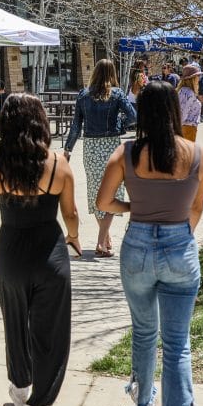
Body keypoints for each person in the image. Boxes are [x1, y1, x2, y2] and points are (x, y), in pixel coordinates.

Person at [95, 80, 203, 406]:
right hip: (180, 246)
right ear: (175, 110)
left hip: (138, 246)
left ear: (142, 113)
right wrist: (176, 234)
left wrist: (136, 207)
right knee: (177, 344)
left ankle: (144, 398)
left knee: (144, 330)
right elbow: (196, 209)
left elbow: (104, 202)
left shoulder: (126, 153)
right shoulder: (197, 154)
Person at [0, 93, 80, 406]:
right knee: (50, 333)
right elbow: (70, 213)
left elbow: (6, 194)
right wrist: (73, 237)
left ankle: (20, 388)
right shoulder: (58, 164)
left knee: (15, 323)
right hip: (49, 251)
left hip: (11, 250)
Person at [63, 58, 135, 258]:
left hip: (91, 147)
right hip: (111, 146)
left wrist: (68, 149)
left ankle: (104, 239)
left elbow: (76, 126)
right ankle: (101, 242)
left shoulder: (83, 95)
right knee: (113, 194)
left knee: (96, 194)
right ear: (112, 73)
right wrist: (119, 125)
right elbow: (133, 117)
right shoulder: (117, 94)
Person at [176, 64, 202, 142]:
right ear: (192, 78)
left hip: (186, 128)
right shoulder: (189, 93)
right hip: (188, 128)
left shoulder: (182, 90)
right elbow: (183, 113)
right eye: (197, 76)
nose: (199, 78)